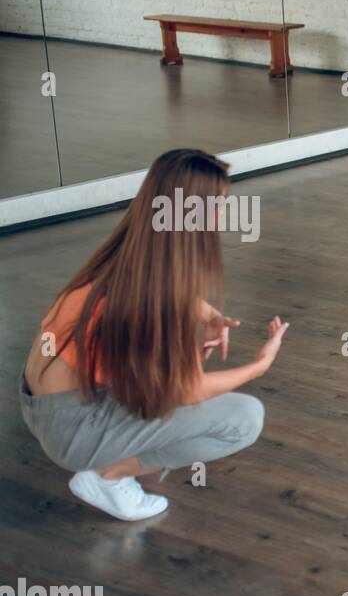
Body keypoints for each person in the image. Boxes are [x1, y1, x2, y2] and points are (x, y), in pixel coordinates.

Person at [19, 149, 290, 521]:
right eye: (219, 205)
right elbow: (182, 391)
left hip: (45, 404)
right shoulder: (143, 299)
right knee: (244, 418)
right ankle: (108, 476)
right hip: (73, 429)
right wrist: (258, 367)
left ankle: (107, 458)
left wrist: (198, 310)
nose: (223, 215)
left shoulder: (124, 257)